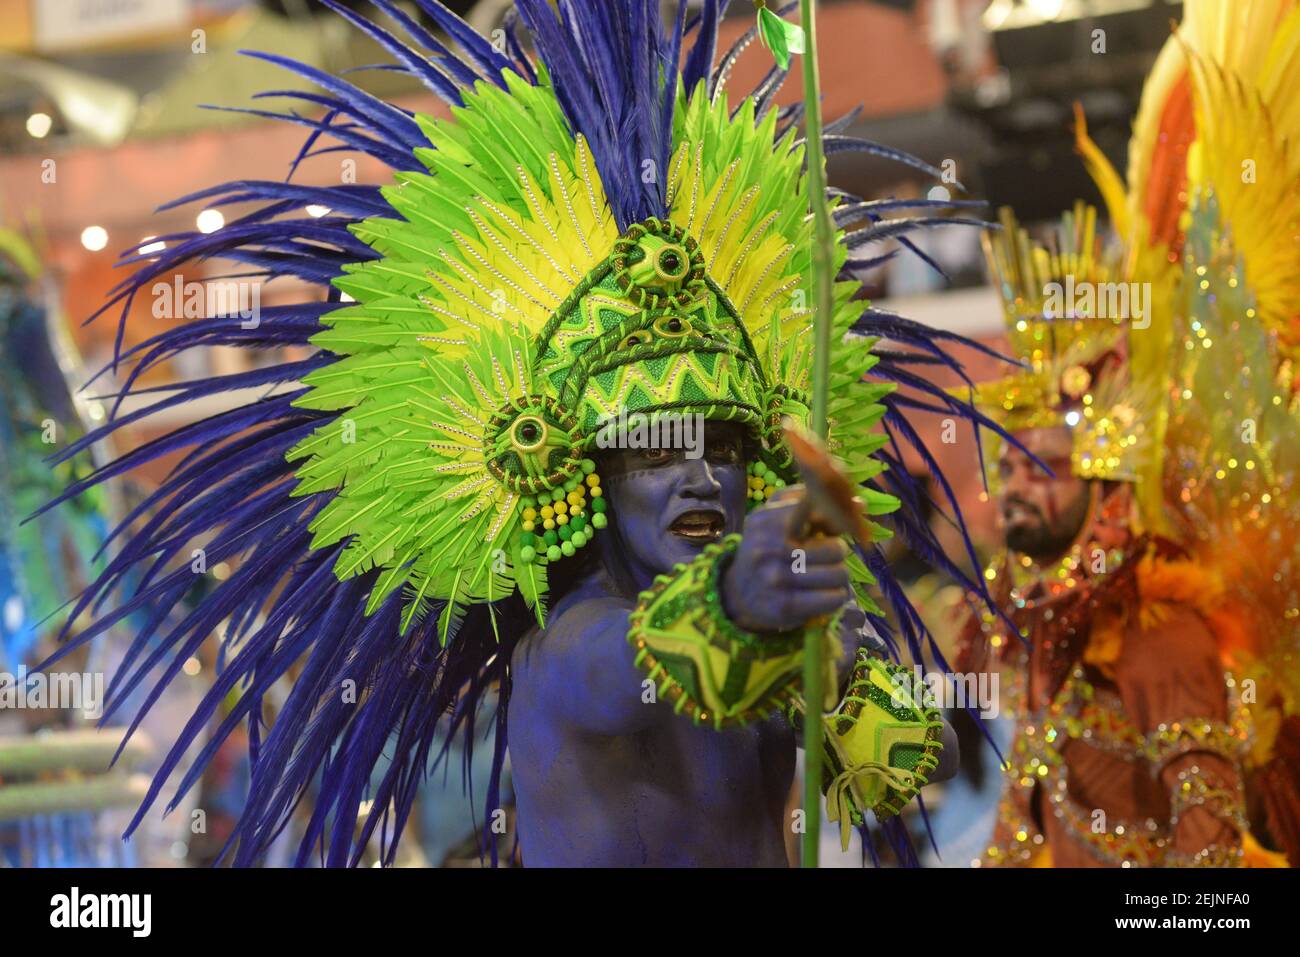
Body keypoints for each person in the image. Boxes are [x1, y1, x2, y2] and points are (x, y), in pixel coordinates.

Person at [49, 0, 999, 867]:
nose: (701, 476)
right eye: (656, 448)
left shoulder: (776, 624)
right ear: (588, 476)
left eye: (724, 447)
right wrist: (747, 605)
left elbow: (914, 772)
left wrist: (841, 656)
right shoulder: (568, 646)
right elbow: (643, 667)